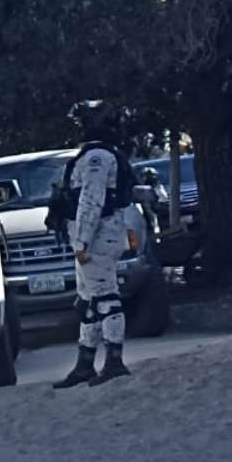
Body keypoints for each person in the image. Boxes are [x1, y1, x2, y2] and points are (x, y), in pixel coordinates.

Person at [51, 100, 136, 389]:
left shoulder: (97, 157)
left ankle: (113, 360)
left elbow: (91, 201)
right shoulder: (98, 155)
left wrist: (81, 242)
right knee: (88, 301)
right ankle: (85, 363)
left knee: (104, 297)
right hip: (97, 235)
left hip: (98, 237)